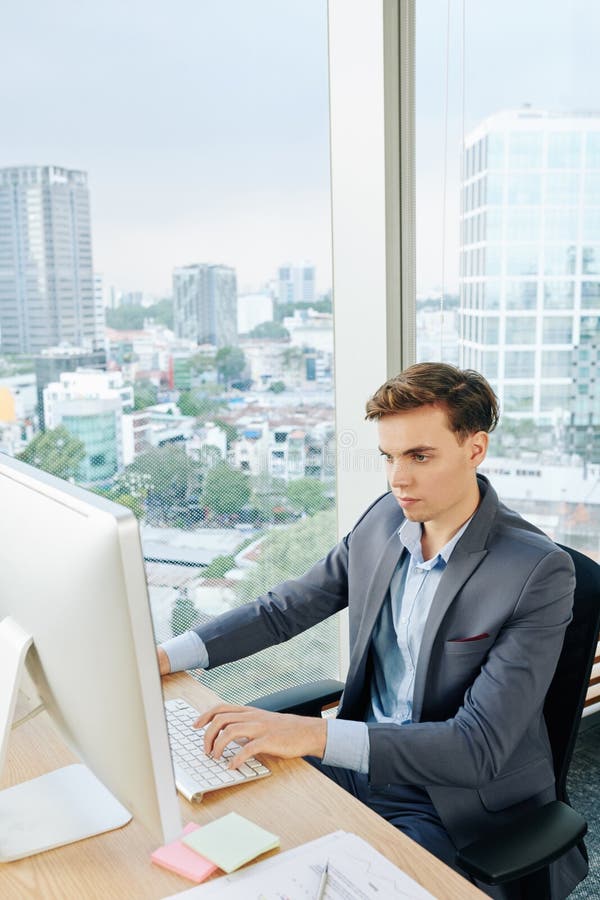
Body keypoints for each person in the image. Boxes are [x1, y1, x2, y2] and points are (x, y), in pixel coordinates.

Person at [157, 362, 587, 899]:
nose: (397, 478)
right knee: (229, 845)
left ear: (475, 449)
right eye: (389, 456)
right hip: (355, 767)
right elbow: (283, 609)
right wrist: (165, 657)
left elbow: (477, 748)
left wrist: (312, 735)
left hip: (448, 801)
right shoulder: (387, 518)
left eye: (419, 456)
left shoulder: (535, 572)